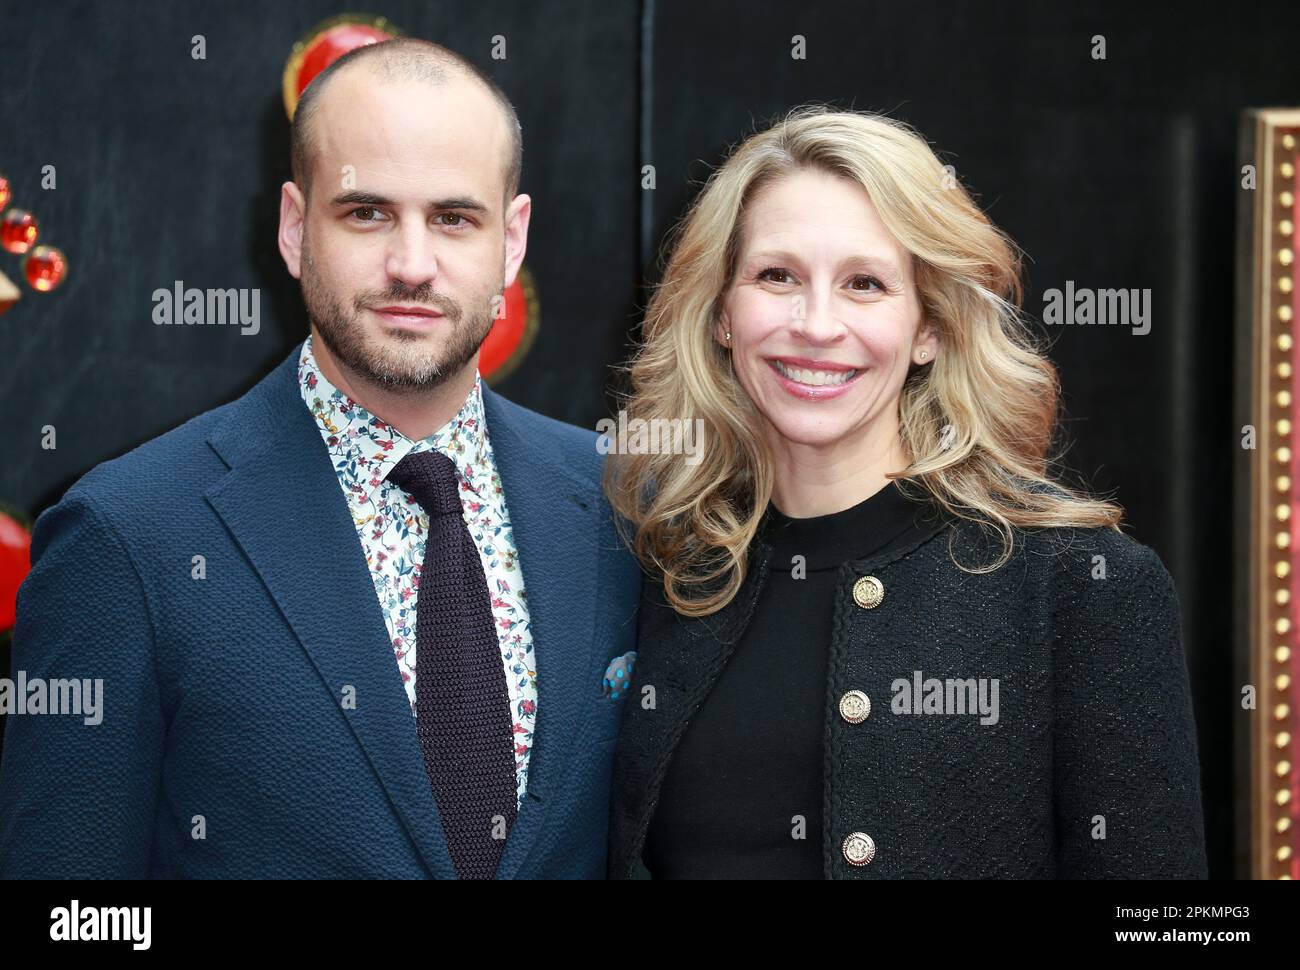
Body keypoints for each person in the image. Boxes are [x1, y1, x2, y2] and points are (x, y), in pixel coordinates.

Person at [0, 38, 639, 879]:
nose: (412, 265)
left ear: (512, 241)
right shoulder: (129, 534)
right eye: (366, 212)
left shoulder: (624, 501)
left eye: (454, 218)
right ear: (296, 229)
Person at [604, 106, 1209, 879]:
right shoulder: (663, 565)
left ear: (929, 327)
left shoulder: (1080, 587)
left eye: (866, 284)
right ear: (723, 314)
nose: (816, 324)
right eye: (777, 276)